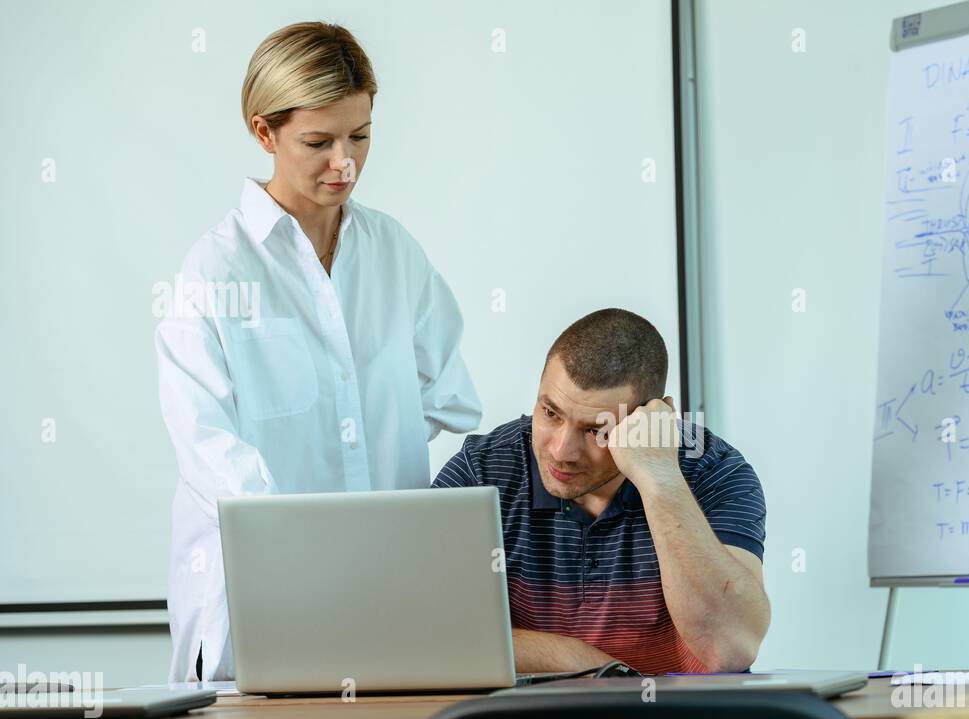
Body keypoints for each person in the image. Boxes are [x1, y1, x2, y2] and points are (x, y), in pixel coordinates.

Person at [155, 22, 481, 681]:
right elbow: (206, 447)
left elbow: (447, 392)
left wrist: (361, 442)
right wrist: (315, 543)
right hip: (255, 598)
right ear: (263, 131)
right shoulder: (213, 272)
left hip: (383, 589)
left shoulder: (393, 251)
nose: (346, 163)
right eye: (319, 142)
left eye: (360, 136)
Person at [434, 308, 769, 674]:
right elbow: (422, 627)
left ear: (656, 418)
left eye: (596, 430)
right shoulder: (483, 469)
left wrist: (660, 478)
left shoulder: (713, 472)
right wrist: (579, 661)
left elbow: (730, 648)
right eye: (550, 412)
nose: (561, 451)